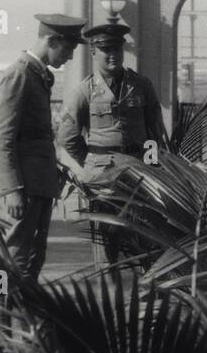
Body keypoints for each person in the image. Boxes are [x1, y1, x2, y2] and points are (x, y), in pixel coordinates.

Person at [56, 20, 167, 265]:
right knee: (106, 239)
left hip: (138, 171)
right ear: (95, 52)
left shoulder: (141, 85)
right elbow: (66, 136)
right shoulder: (84, 91)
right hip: (102, 175)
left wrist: (152, 166)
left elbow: (154, 130)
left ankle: (144, 290)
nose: (113, 55)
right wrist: (92, 160)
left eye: (117, 49)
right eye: (106, 50)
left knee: (145, 233)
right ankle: (108, 285)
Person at [0, 14, 84, 285]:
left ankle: (22, 321)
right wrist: (12, 190)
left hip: (38, 186)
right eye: (68, 48)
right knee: (13, 258)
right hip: (23, 189)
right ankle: (3, 322)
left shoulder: (37, 74)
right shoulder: (19, 73)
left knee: (32, 258)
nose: (70, 57)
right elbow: (1, 137)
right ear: (51, 40)